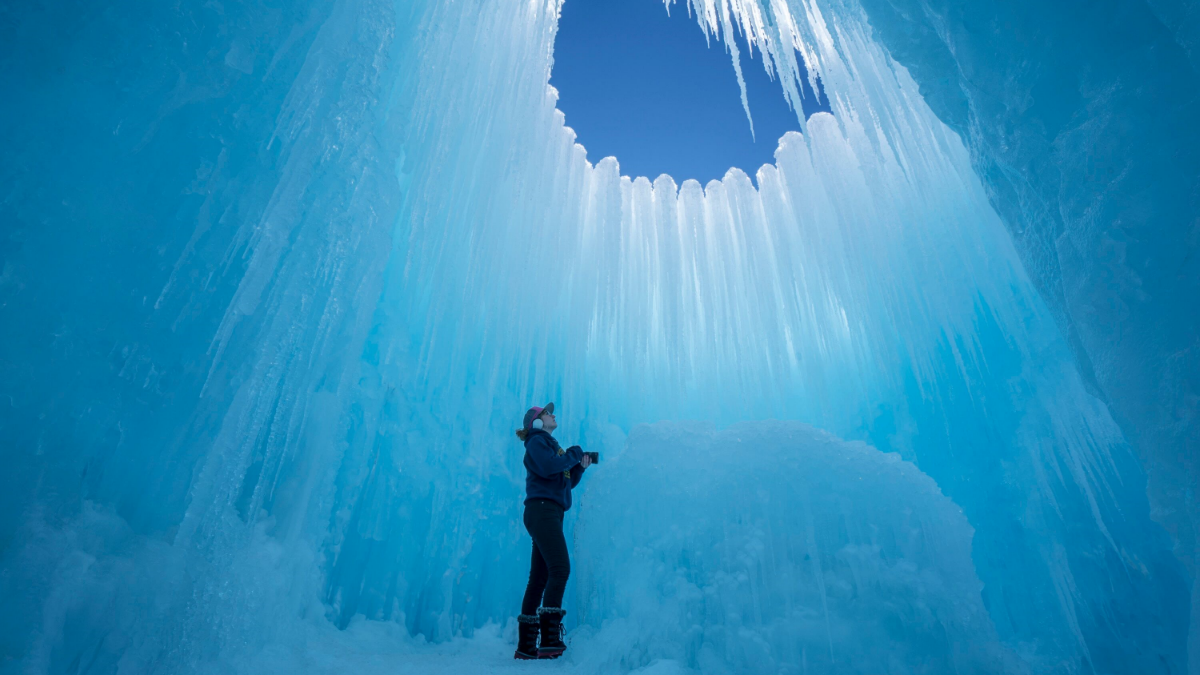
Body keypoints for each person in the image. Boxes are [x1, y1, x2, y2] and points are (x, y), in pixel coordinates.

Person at [512, 402, 592, 660]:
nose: (553, 415)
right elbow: (549, 467)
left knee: (539, 578)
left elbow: (563, 483)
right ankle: (548, 639)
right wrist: (572, 453)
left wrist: (579, 465)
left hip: (549, 511)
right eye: (547, 413)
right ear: (536, 422)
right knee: (560, 569)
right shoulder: (536, 442)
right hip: (542, 510)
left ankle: (526, 646)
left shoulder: (550, 447)